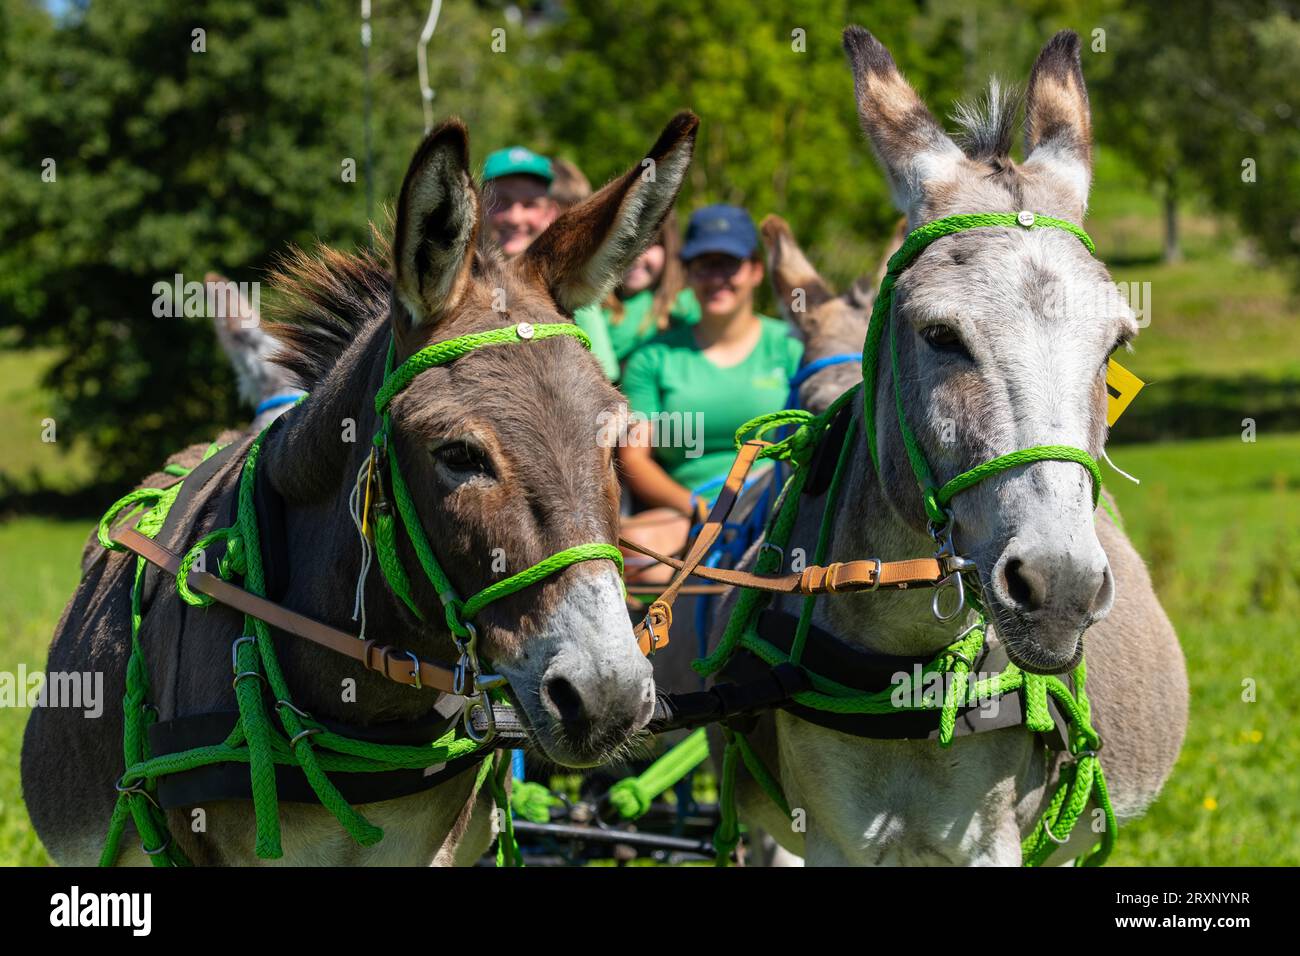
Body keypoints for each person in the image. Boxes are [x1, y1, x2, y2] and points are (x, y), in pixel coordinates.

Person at [618, 205, 803, 579]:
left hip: (781, 503)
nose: (717, 278)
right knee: (621, 556)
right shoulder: (651, 359)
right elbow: (634, 459)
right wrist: (698, 507)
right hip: (689, 513)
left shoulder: (791, 348)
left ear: (754, 270)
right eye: (704, 265)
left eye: (728, 264)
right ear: (687, 273)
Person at [480, 146, 618, 379]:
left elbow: (605, 371)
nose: (515, 217)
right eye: (502, 202)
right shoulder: (458, 282)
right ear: (479, 207)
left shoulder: (568, 283)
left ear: (551, 213)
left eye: (530, 204)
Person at [603, 210, 701, 366]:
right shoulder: (591, 309)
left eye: (651, 244)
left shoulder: (686, 307)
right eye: (626, 242)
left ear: (669, 249)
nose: (636, 258)